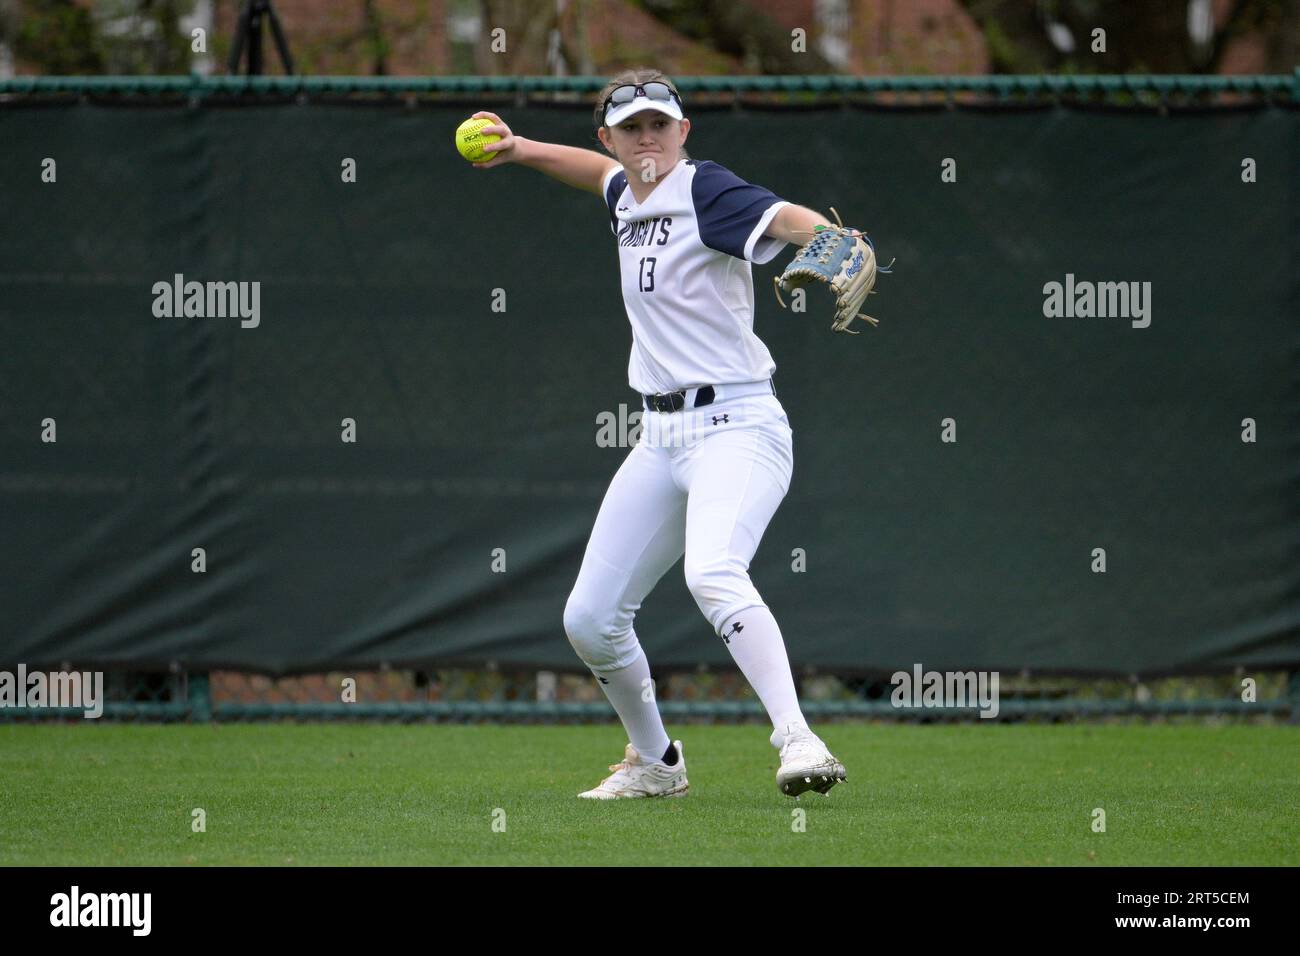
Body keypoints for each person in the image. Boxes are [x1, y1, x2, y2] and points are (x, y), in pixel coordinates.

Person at [469, 68, 846, 799]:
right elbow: (599, 177)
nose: (648, 138)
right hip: (660, 437)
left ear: (683, 132)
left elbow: (788, 217)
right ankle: (656, 764)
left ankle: (798, 739)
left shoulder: (703, 189)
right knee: (590, 619)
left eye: (660, 125)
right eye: (633, 127)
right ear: (611, 135)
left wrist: (827, 237)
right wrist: (517, 150)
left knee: (713, 571)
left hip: (738, 427)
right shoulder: (626, 193)